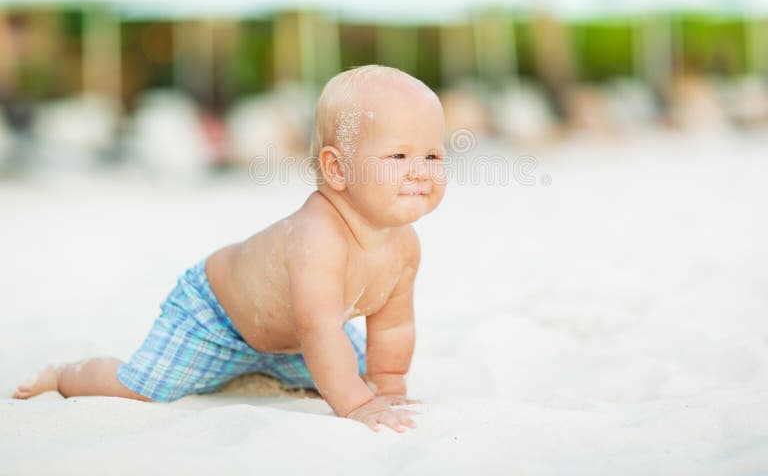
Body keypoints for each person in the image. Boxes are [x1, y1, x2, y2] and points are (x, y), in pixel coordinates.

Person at [13, 65, 448, 433]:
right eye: (398, 157)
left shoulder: (404, 246)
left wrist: (388, 390)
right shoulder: (319, 238)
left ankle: (260, 369)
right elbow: (320, 332)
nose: (421, 172)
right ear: (337, 168)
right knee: (143, 387)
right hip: (217, 317)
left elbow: (392, 327)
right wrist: (358, 406)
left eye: (432, 156)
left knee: (351, 373)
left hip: (291, 340)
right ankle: (65, 375)